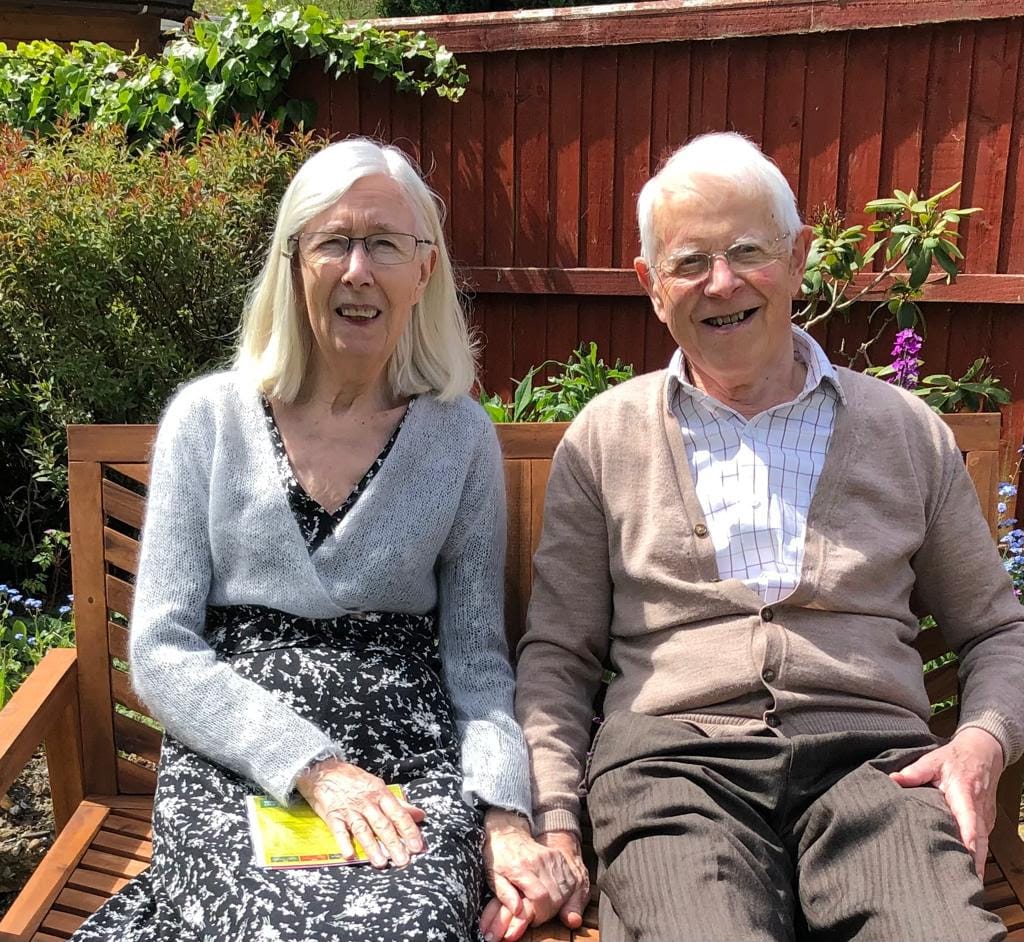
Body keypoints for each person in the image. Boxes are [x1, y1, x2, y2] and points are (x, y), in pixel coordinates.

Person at [515, 131, 1024, 942]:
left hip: (874, 769)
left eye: (747, 252)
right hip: (669, 773)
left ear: (797, 258)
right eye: (689, 263)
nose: (722, 284)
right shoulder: (605, 439)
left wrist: (980, 745)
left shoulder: (906, 432)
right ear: (651, 286)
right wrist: (557, 827)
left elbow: (998, 630)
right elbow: (557, 658)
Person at [71, 137, 579, 942]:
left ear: (425, 271)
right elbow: (163, 650)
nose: (357, 270)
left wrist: (506, 815)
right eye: (334, 242)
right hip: (241, 757)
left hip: (407, 767)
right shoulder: (207, 421)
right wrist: (310, 765)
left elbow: (478, 664)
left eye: (385, 243)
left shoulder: (460, 439)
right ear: (293, 261)